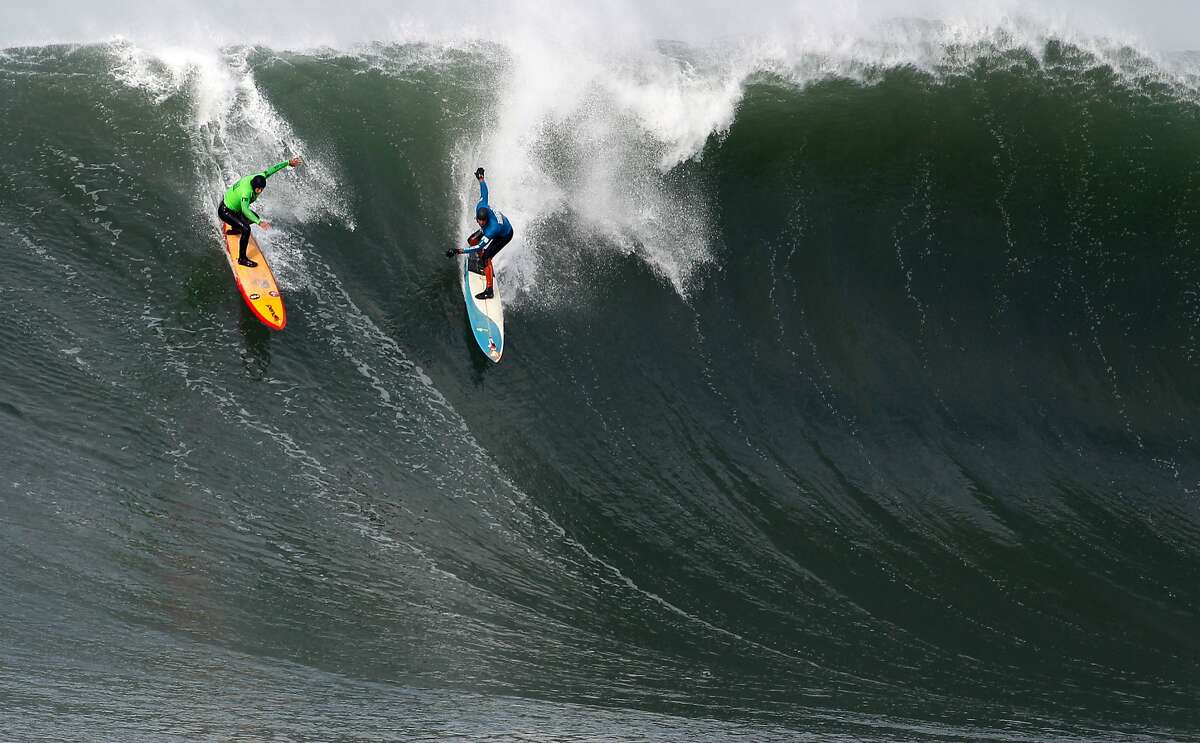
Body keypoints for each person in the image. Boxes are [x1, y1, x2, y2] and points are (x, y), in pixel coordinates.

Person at [218, 157, 303, 267]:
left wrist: (288, 163)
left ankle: (236, 228)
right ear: (257, 188)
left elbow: (272, 170)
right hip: (225, 211)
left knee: (252, 217)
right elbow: (245, 209)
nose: (260, 192)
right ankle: (242, 259)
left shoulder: (258, 178)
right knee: (246, 228)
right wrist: (259, 222)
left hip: (233, 207)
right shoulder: (246, 192)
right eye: (259, 190)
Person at [446, 167, 514, 300]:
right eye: (479, 221)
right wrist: (481, 178)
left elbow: (478, 247)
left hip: (504, 234)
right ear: (477, 217)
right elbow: (484, 192)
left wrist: (456, 251)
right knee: (472, 240)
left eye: (483, 222)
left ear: (486, 220)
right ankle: (482, 262)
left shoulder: (491, 229)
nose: (481, 224)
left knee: (486, 256)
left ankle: (489, 291)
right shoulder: (481, 206)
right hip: (498, 226)